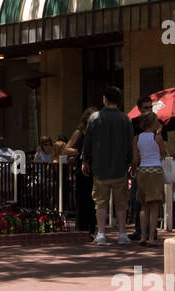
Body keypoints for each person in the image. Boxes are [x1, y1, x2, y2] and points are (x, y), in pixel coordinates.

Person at [82, 86, 133, 245]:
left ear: (105, 98)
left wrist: (85, 160)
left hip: (100, 167)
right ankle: (122, 233)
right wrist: (130, 162)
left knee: (100, 202)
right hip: (120, 167)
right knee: (121, 203)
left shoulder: (95, 118)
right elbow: (129, 144)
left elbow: (88, 141)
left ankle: (102, 234)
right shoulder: (126, 119)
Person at [132, 113, 168, 246]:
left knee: (143, 206)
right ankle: (152, 237)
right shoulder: (156, 137)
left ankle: (142, 236)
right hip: (155, 171)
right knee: (154, 207)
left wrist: (134, 169)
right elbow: (164, 153)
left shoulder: (137, 138)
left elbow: (135, 159)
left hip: (143, 171)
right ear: (154, 123)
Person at [65, 110, 97, 234]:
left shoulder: (97, 133)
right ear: (85, 119)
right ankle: (81, 227)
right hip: (82, 168)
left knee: (93, 199)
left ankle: (92, 227)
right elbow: (67, 149)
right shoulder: (79, 133)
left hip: (96, 167)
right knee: (83, 197)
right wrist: (80, 152)